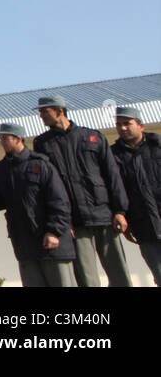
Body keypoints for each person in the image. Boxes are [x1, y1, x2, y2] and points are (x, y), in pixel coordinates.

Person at [32, 95, 131, 287]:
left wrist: (120, 211)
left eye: (45, 111)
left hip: (105, 217)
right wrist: (60, 222)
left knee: (119, 273)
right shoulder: (42, 144)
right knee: (87, 278)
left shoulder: (92, 137)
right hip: (75, 222)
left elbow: (113, 176)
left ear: (60, 111)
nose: (41, 116)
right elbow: (47, 188)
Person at [0, 123, 75, 287]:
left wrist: (54, 231)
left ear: (18, 139)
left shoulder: (41, 165)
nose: (2, 142)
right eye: (0, 138)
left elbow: (60, 202)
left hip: (52, 245)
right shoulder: (1, 170)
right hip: (24, 246)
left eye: (5, 138)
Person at [111, 105, 160, 285]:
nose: (122, 128)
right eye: (118, 124)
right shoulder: (113, 156)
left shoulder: (158, 147)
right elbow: (115, 190)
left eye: (127, 123)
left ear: (141, 125)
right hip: (144, 227)